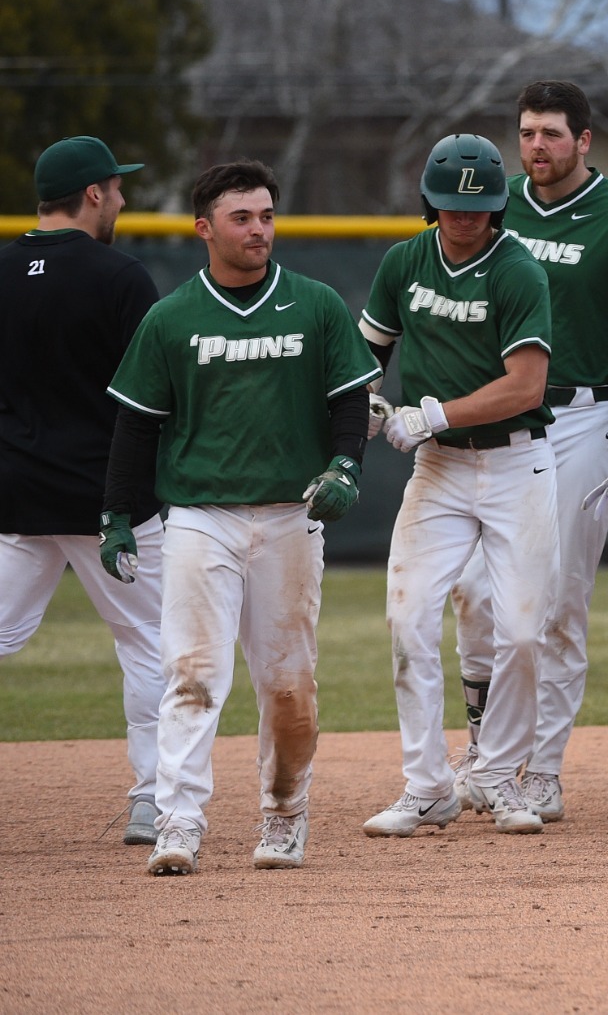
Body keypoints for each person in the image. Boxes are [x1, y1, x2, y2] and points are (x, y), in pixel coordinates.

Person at [100, 159, 378, 874]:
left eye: (266, 216)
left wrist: (346, 464)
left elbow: (350, 398)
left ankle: (284, 813)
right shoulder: (171, 317)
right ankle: (178, 821)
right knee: (191, 673)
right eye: (242, 217)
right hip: (199, 515)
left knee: (288, 682)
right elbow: (136, 424)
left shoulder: (314, 304)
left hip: (291, 514)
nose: (259, 230)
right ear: (204, 228)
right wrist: (117, 513)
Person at [448, 80, 608, 824]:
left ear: (585, 140)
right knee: (477, 593)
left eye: (551, 132)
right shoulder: (496, 206)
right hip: (501, 417)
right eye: (526, 132)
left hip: (585, 416)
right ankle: (486, 757)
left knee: (557, 604)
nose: (536, 146)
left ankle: (541, 769)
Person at [360, 134, 570, 838]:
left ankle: (495, 773)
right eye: (450, 205)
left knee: (518, 633)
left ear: (498, 209)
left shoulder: (518, 270)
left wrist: (434, 413)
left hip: (517, 464)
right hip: (440, 469)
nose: (463, 218)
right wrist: (358, 400)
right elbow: (369, 354)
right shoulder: (404, 262)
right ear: (430, 203)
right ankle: (426, 786)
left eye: (477, 208)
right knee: (407, 618)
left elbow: (527, 384)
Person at [0, 137, 165, 847]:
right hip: (110, 503)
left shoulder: (1, 269)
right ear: (93, 194)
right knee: (151, 643)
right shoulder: (121, 276)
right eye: (117, 189)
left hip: (16, 497)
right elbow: (151, 401)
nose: (123, 200)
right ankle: (155, 800)